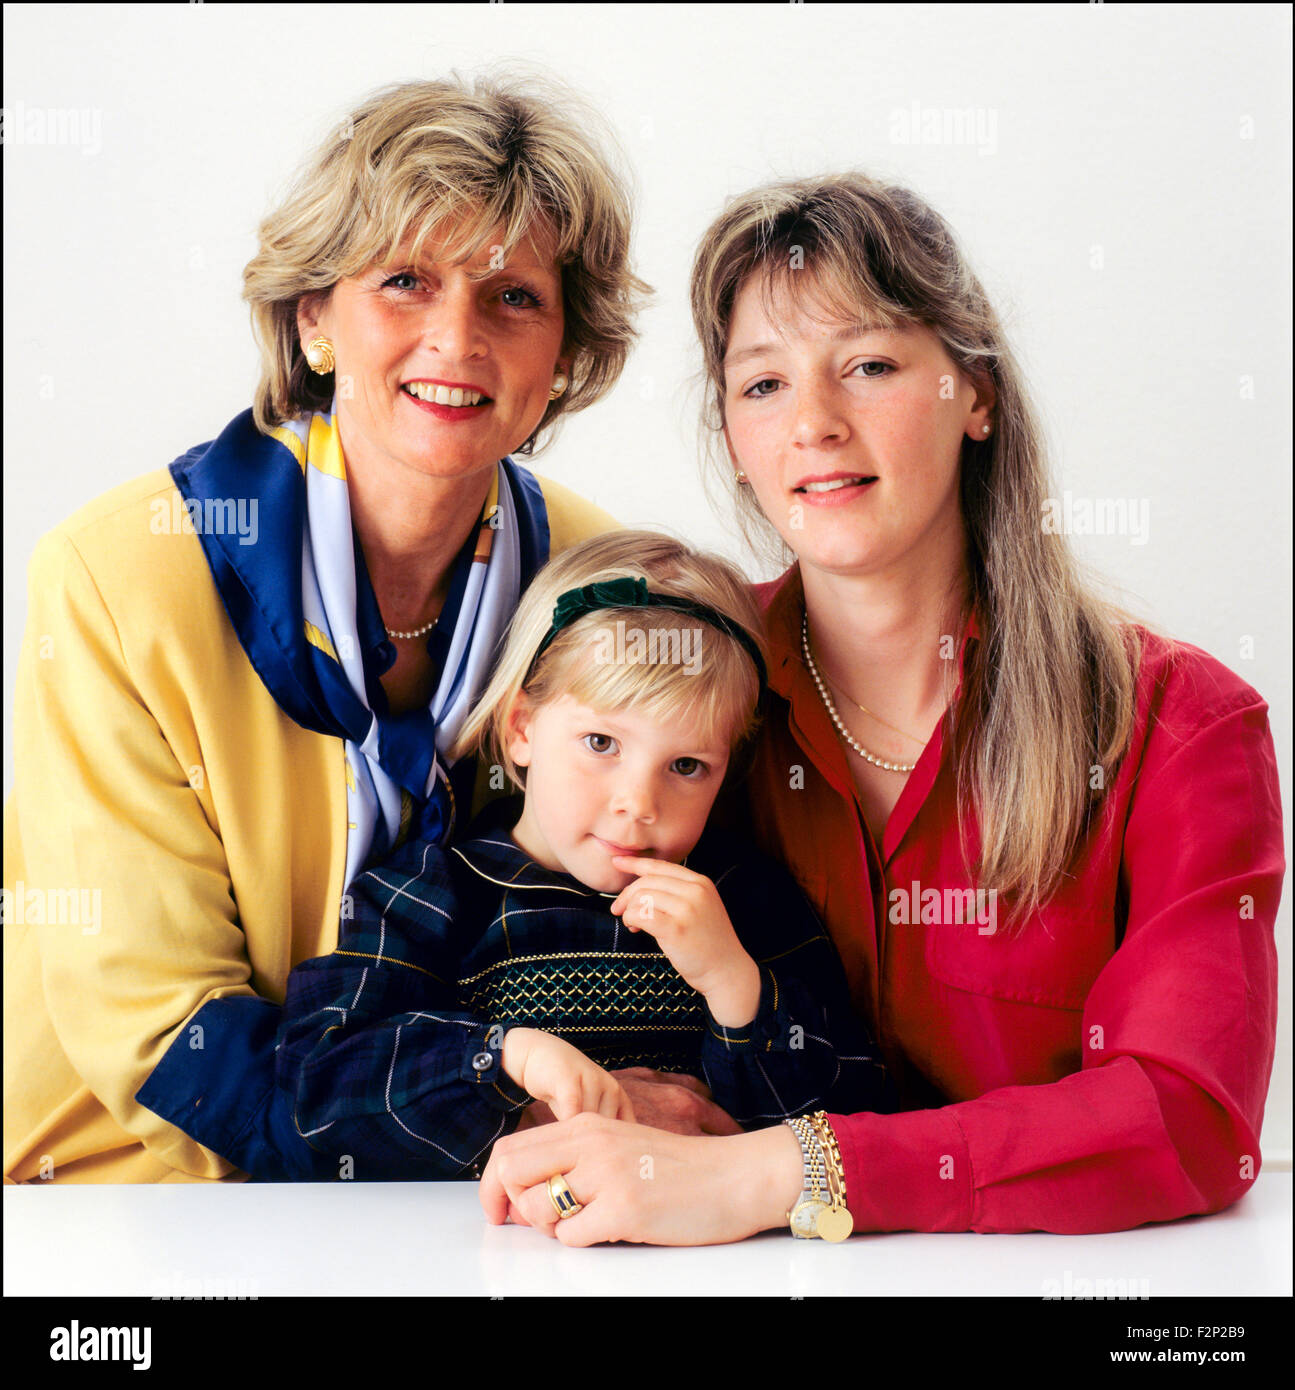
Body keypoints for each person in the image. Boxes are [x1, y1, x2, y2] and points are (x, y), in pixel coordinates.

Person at [477, 172, 1284, 1244]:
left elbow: (1187, 1120)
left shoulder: (1180, 728)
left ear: (976, 394)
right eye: (762, 385)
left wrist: (783, 1171)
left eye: (866, 365)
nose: (813, 423)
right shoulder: (659, 700)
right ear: (729, 436)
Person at [3, 74, 653, 1184]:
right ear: (314, 318)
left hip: (470, 1193)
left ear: (562, 358)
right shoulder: (118, 574)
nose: (457, 337)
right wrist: (504, 1112)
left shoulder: (599, 585)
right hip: (129, 1187)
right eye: (405, 281)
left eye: (513, 298)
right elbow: (164, 1036)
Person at [271, 531, 894, 1180]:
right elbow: (318, 1093)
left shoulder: (743, 902)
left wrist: (733, 985)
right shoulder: (432, 894)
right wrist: (503, 1058)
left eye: (686, 765)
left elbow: (857, 1110)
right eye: (600, 742)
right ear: (521, 729)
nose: (638, 802)